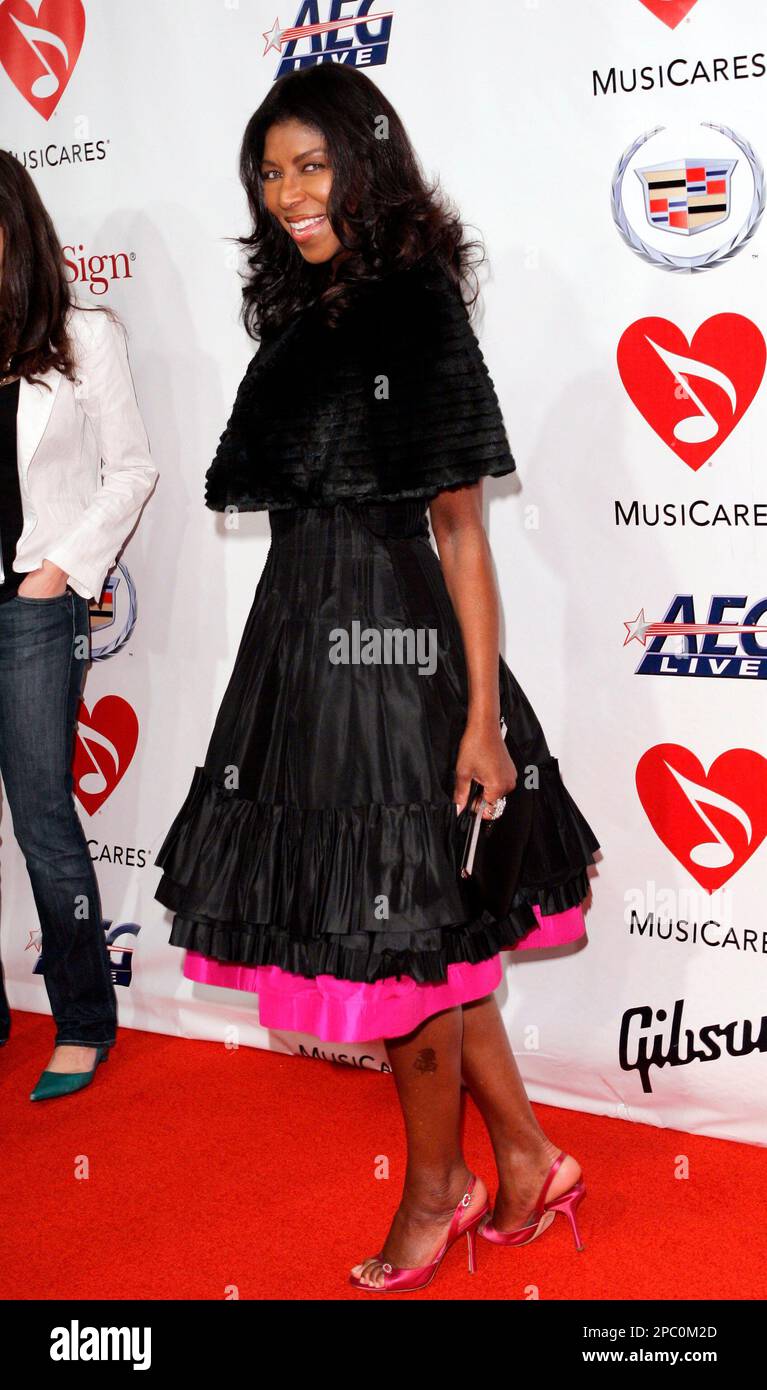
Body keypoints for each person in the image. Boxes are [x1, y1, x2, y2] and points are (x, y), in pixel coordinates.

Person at [154, 65, 600, 1292]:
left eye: (309, 164)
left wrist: (476, 719)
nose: (288, 193)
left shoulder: (412, 308)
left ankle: (431, 1193)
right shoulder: (305, 312)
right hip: (302, 651)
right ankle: (521, 1160)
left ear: (365, 162)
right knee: (434, 947)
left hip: (397, 662)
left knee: (400, 950)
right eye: (270, 171)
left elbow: (460, 529)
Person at [0, 151, 158, 1100]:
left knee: (43, 818)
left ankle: (84, 1018)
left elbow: (131, 469)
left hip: (31, 607)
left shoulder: (81, 335)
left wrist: (56, 572)